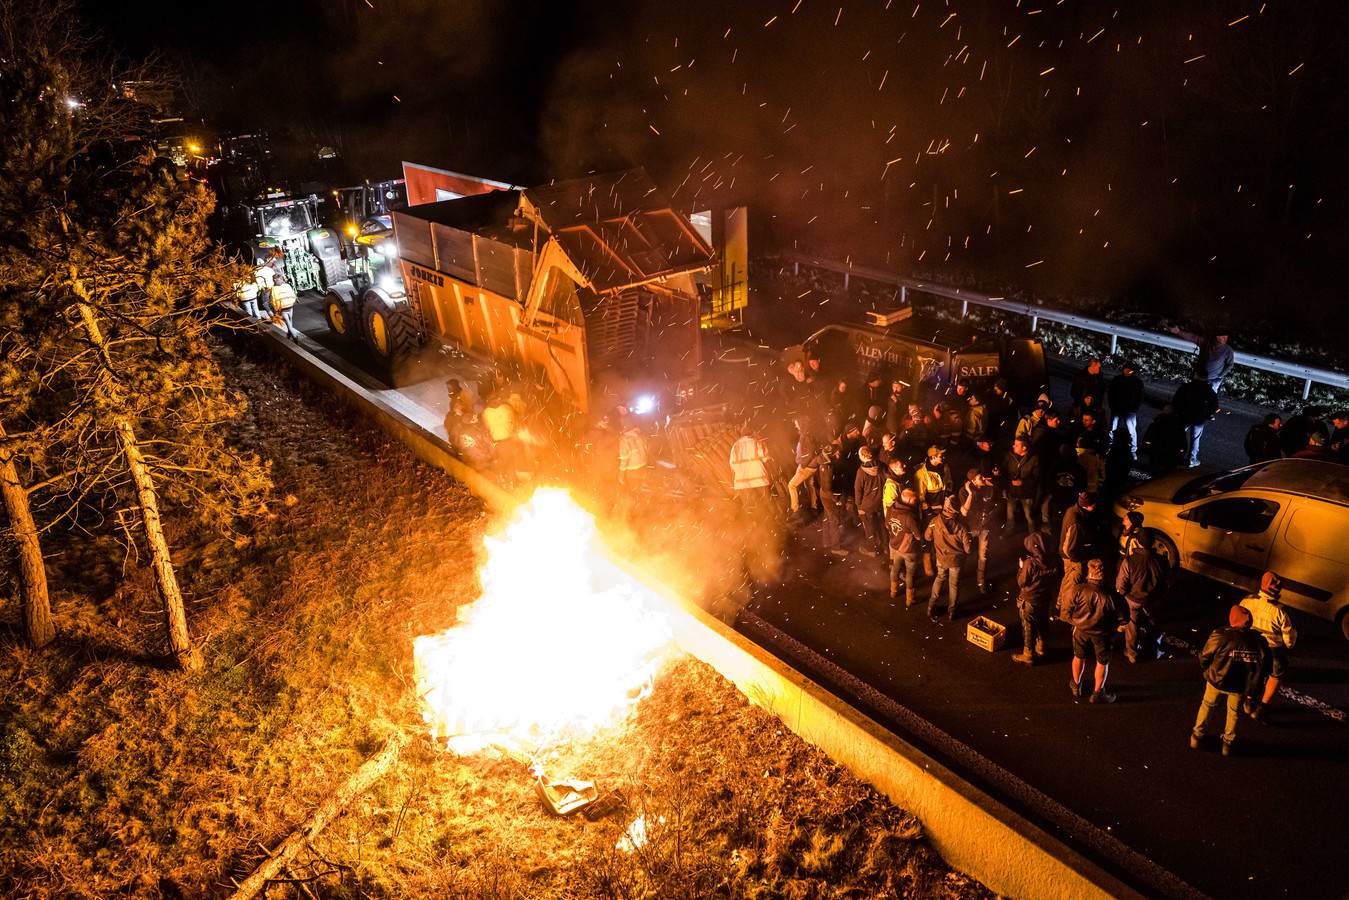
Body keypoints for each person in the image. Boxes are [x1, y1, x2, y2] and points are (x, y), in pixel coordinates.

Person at [1191, 605, 1272, 756]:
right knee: (1233, 712)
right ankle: (1228, 743)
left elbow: (1205, 657)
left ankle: (1197, 735)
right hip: (1239, 684)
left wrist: (1210, 671)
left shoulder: (1220, 635)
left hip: (1217, 679)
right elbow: (1266, 666)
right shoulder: (1258, 641)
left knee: (1207, 705)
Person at [1240, 571, 1297, 723]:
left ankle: (1249, 701)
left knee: (1255, 672)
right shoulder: (1281, 610)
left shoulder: (1247, 600)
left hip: (1252, 644)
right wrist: (1289, 648)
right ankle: (1261, 709)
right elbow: (1288, 638)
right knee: (1276, 675)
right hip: (1273, 649)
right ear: (1278, 590)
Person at [1062, 559, 1119, 703]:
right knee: (1102, 662)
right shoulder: (1112, 596)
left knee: (1078, 656)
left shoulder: (1078, 590)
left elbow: (1065, 613)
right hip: (1103, 634)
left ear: (1089, 572)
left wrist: (1076, 623)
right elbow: (1123, 618)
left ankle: (1076, 685)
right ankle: (1098, 693)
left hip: (1081, 631)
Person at [1115, 530, 1170, 663]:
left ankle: (1132, 653)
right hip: (1152, 599)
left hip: (1133, 600)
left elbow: (1120, 585)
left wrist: (1124, 595)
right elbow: (1167, 582)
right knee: (1154, 625)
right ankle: (1154, 650)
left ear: (1137, 542)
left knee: (1132, 627)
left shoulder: (1129, 561)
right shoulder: (1161, 560)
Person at [925, 495, 971, 623]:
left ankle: (931, 607)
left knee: (940, 578)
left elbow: (927, 537)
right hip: (956, 561)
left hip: (941, 558)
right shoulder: (962, 526)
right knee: (954, 585)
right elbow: (968, 549)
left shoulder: (935, 521)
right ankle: (952, 612)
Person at [1012, 532, 1056, 665]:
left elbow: (1022, 582)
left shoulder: (1029, 563)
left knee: (1028, 626)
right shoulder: (1053, 558)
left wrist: (1021, 568)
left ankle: (1028, 654)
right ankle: (1041, 647)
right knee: (1042, 621)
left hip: (1029, 600)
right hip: (1045, 597)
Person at [1058, 492, 1102, 606]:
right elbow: (1070, 548)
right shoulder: (1076, 522)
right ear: (1086, 506)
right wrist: (1078, 560)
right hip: (1072, 559)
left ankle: (1060, 601)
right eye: (1093, 504)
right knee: (1072, 584)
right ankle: (1065, 609)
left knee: (1067, 580)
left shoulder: (1074, 510)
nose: (1095, 506)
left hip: (1071, 557)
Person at [958, 468, 997, 594]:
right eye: (981, 478)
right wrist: (970, 494)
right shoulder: (964, 491)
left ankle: (981, 581)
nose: (984, 479)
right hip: (970, 527)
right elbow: (964, 512)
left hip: (984, 527)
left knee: (983, 555)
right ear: (973, 481)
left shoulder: (988, 488)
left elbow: (993, 503)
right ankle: (959, 576)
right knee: (965, 551)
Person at [1171, 368, 1219, 468]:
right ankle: (1192, 460)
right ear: (1206, 378)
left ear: (1196, 375)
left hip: (1184, 417)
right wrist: (1207, 416)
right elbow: (1213, 408)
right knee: (1195, 439)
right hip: (1199, 420)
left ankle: (1173, 454)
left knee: (1178, 435)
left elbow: (1176, 401)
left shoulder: (1186, 387)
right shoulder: (1210, 391)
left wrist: (1176, 412)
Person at [886, 486, 924, 605]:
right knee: (910, 574)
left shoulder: (891, 508)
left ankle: (893, 591)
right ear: (907, 500)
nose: (916, 500)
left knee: (895, 569)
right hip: (909, 550)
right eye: (913, 499)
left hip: (895, 546)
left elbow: (887, 525)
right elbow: (918, 535)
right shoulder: (910, 516)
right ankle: (910, 599)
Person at [1171, 327, 1236, 392]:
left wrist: (1221, 374)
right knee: (1194, 393)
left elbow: (1230, 364)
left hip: (1214, 379)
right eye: (1223, 337)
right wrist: (1179, 332)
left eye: (1226, 337)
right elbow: (1193, 337)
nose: (1225, 339)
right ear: (1217, 337)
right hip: (1200, 376)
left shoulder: (1228, 350)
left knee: (1209, 396)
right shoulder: (1206, 343)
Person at [729, 423, 774, 512]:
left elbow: (732, 463)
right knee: (767, 502)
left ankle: (754, 523)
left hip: (742, 482)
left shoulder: (735, 446)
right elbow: (765, 457)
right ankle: (775, 522)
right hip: (759, 479)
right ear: (751, 433)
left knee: (749, 505)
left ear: (741, 434)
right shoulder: (756, 442)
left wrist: (741, 471)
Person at [788, 416, 824, 519]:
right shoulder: (806, 433)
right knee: (810, 485)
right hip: (811, 465)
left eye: (796, 423)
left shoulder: (806, 436)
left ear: (801, 424)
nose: (795, 425)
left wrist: (803, 464)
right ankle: (814, 507)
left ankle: (795, 510)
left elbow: (810, 453)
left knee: (791, 485)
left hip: (807, 466)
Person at [854, 445, 886, 557]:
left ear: (863, 456)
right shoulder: (882, 466)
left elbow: (858, 490)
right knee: (882, 525)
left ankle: (871, 549)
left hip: (867, 505)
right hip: (880, 502)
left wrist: (859, 506)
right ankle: (886, 547)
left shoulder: (861, 472)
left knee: (869, 527)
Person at [1003, 438, 1039, 536]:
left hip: (1026, 493)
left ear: (1024, 448)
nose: (1013, 446)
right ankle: (1008, 531)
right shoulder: (1010, 456)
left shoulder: (1033, 459)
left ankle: (1032, 535)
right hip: (1012, 491)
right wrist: (1005, 488)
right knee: (1010, 515)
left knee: (1029, 516)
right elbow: (1006, 473)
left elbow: (1036, 478)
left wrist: (1022, 482)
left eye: (1016, 445)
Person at [1107, 362, 1144, 455]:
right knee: (1113, 428)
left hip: (1129, 409)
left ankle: (1133, 449)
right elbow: (1111, 393)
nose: (1128, 371)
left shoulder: (1137, 383)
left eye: (1130, 370)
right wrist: (1112, 405)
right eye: (1127, 369)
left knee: (1131, 430)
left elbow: (1140, 397)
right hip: (1117, 408)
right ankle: (1110, 446)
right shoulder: (1118, 380)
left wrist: (1134, 409)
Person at [616, 424, 649, 522]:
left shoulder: (624, 440)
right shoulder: (641, 437)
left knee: (635, 493)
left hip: (632, 471)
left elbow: (624, 460)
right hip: (643, 468)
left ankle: (640, 517)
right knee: (644, 490)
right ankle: (648, 511)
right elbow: (646, 451)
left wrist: (621, 475)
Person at [1141, 404, 1187, 476]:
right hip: (1171, 455)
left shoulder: (1156, 423)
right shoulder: (1178, 426)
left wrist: (1149, 447)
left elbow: (1147, 439)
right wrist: (1180, 454)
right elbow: (1183, 443)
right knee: (1167, 475)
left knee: (1153, 472)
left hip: (1156, 452)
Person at [269, 274, 300, 342]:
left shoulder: (274, 289)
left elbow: (273, 300)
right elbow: (293, 295)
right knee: (290, 321)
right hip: (290, 306)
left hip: (283, 308)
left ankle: (294, 336)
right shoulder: (287, 286)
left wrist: (276, 310)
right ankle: (289, 335)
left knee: (288, 323)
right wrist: (292, 302)